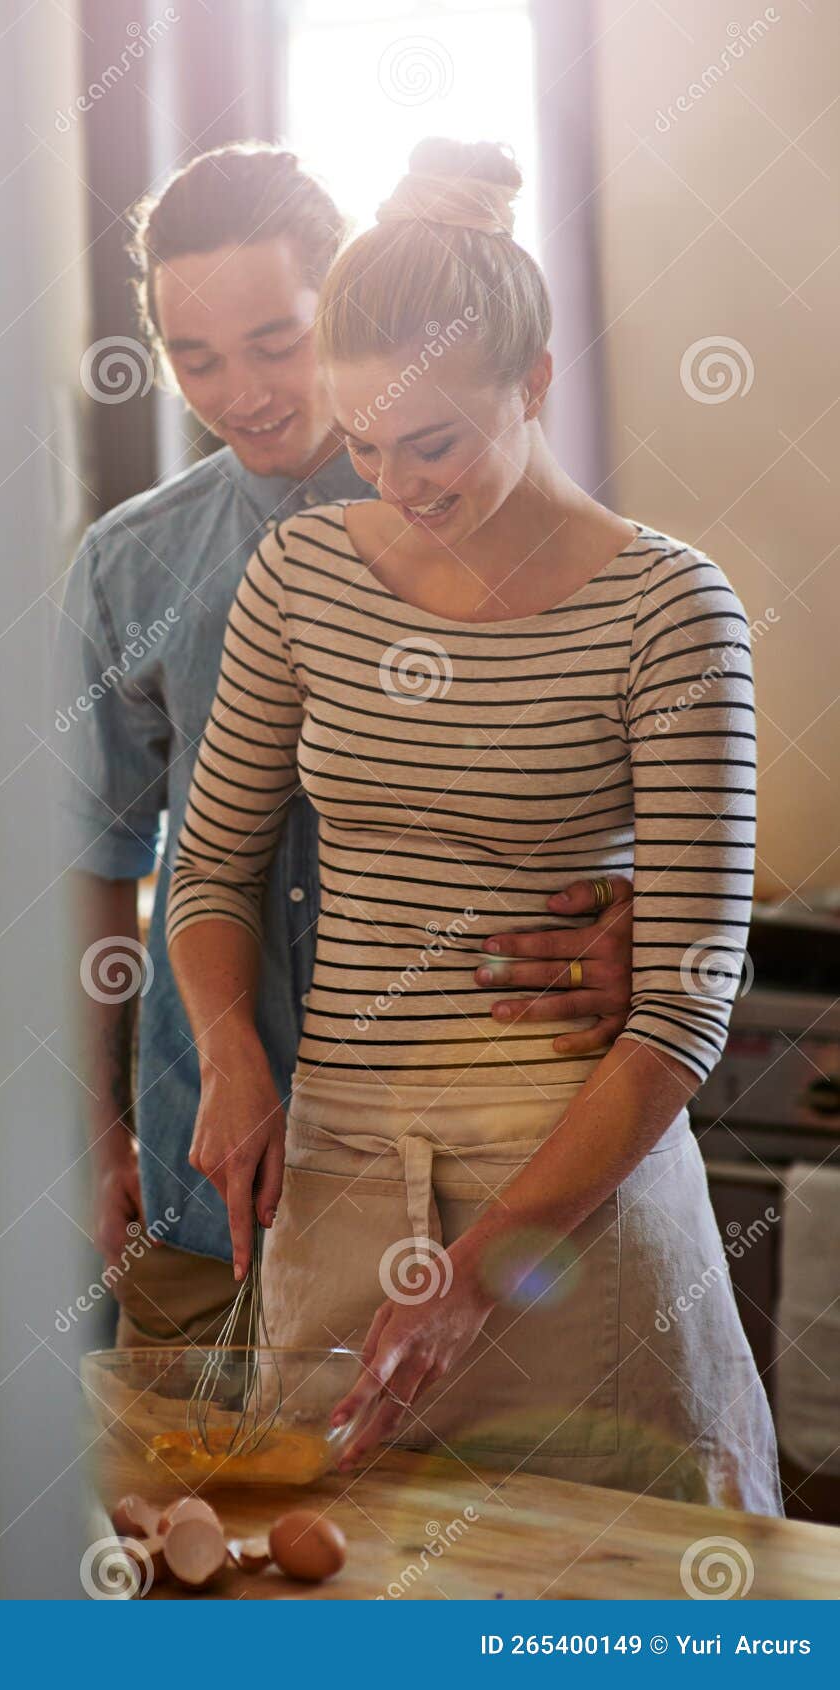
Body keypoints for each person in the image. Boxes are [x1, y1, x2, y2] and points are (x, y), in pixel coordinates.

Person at [166, 139, 781, 1513]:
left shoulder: (670, 610)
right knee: (333, 1600)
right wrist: (226, 1053)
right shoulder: (302, 574)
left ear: (536, 382)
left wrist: (474, 1274)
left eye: (434, 441)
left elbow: (682, 1004)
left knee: (623, 1610)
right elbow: (209, 864)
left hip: (575, 1213)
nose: (399, 484)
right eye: (366, 445)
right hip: (338, 1184)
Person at [58, 143, 635, 1350]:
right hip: (212, 1165)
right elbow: (101, 868)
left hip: (482, 1167)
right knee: (194, 1517)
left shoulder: (516, 527)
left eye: (276, 343)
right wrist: (99, 1129)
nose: (242, 392)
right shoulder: (132, 567)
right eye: (195, 358)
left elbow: (615, 787)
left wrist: (642, 917)